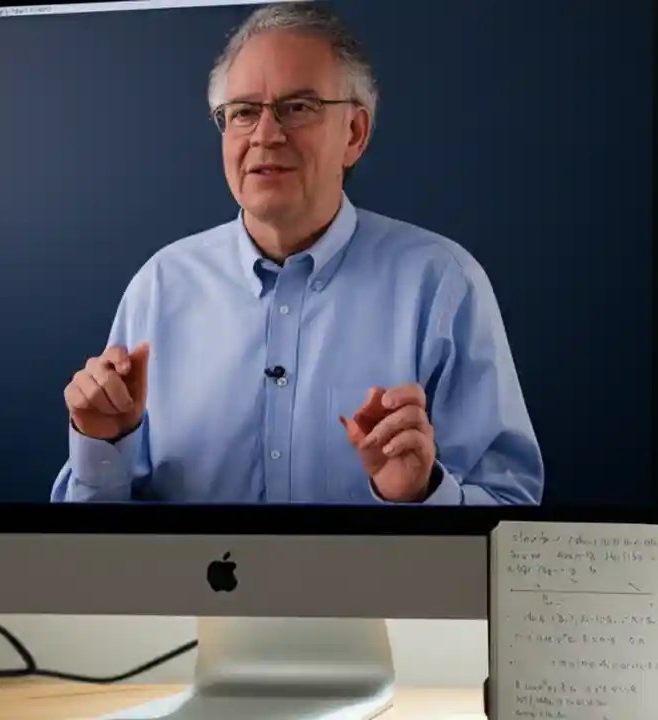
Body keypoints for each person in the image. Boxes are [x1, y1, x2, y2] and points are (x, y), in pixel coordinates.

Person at [50, 3, 542, 505]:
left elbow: (511, 507)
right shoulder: (160, 286)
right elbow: (94, 551)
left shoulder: (442, 285)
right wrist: (102, 445)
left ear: (354, 133)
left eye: (298, 107)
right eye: (243, 112)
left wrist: (420, 494)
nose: (265, 135)